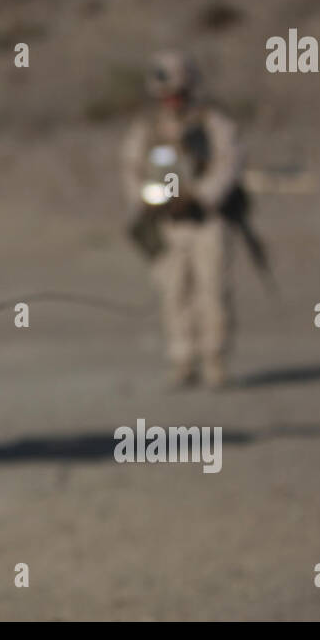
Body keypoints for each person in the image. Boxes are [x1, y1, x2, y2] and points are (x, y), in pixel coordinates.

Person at [121, 52, 244, 389]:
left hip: (206, 221)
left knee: (213, 291)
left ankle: (214, 360)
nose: (172, 99)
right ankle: (182, 359)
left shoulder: (211, 121)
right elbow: (132, 168)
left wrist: (200, 195)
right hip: (167, 224)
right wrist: (147, 201)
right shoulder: (148, 126)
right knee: (173, 292)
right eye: (166, 93)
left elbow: (229, 163)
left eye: (177, 91)